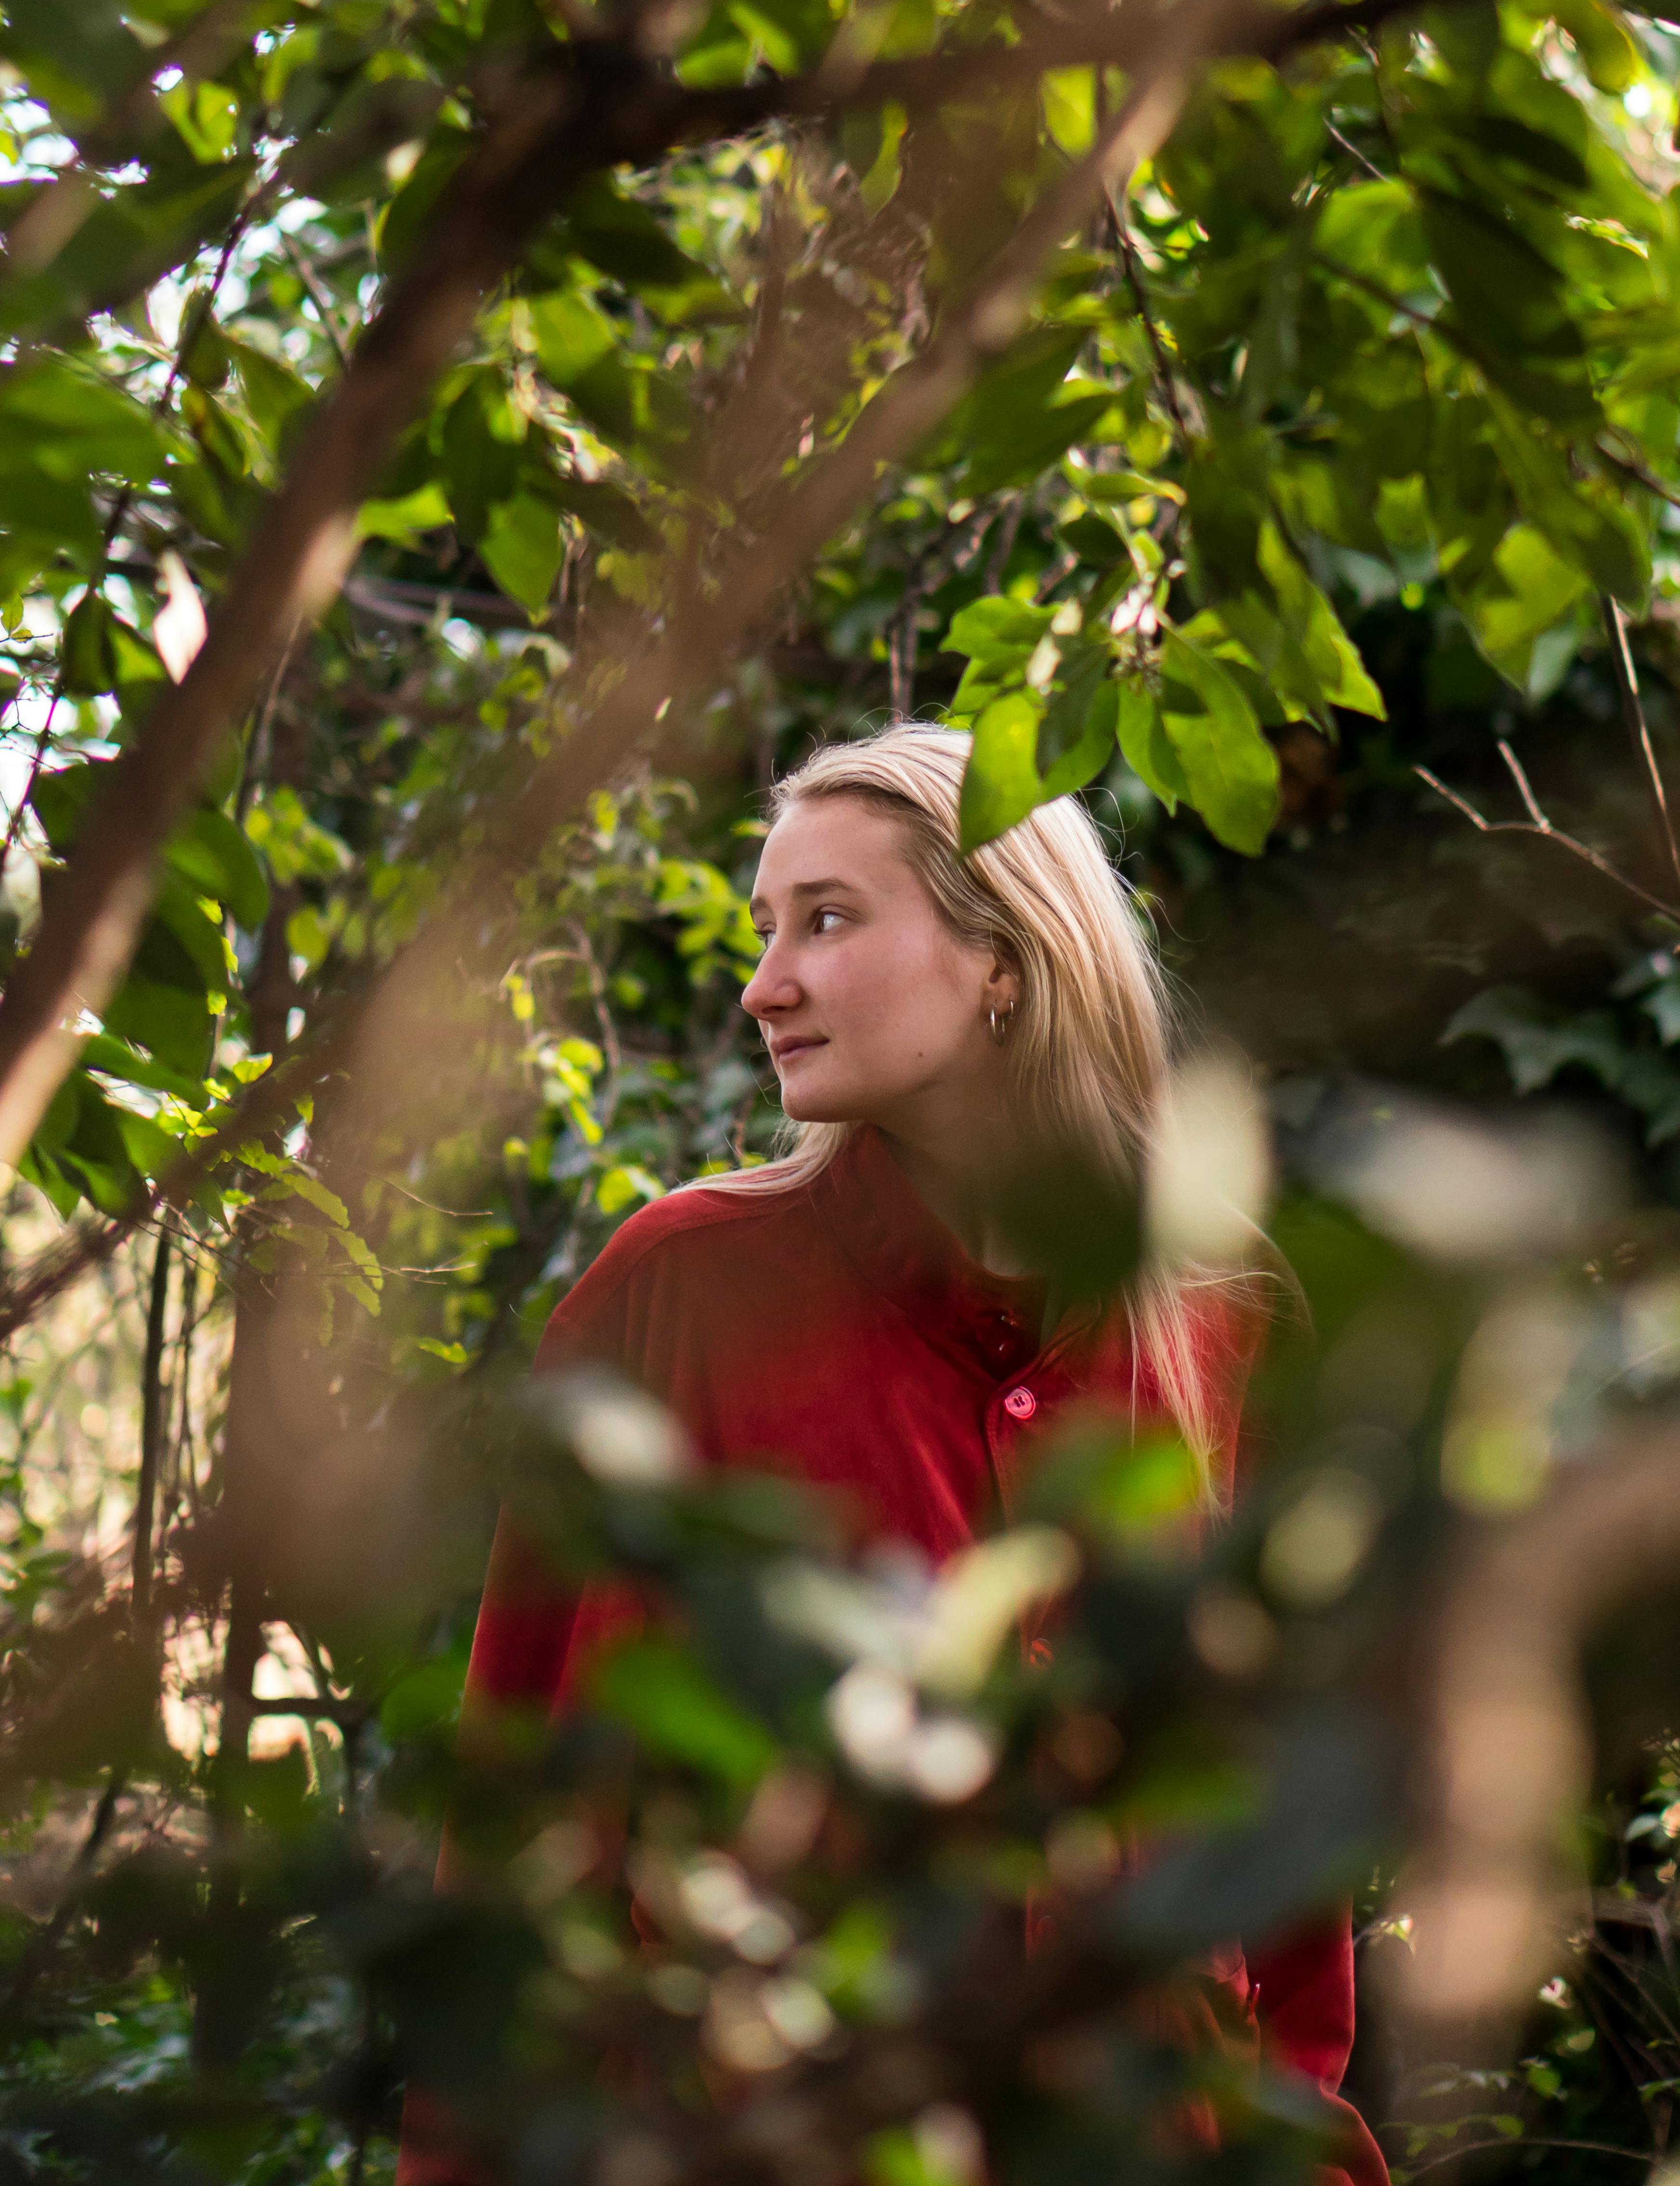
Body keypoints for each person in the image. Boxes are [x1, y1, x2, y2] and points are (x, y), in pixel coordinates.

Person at [405, 724, 1388, 2186]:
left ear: (1006, 957)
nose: (764, 984)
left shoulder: (1219, 1318)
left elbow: (1280, 1856)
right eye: (765, 929)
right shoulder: (681, 1294)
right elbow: (528, 1814)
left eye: (829, 919)